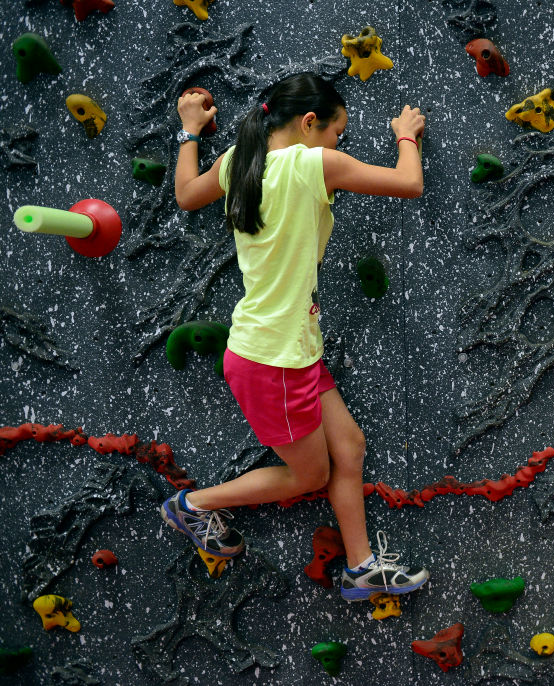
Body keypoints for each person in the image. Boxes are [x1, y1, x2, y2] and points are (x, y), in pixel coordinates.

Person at [160, 72, 428, 601]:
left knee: (348, 447)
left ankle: (361, 569)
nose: (337, 144)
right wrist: (405, 134)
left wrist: (189, 131)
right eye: (337, 133)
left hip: (290, 347)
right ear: (310, 123)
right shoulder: (314, 163)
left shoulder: (239, 159)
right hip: (273, 359)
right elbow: (409, 183)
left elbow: (188, 195)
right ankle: (193, 507)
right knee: (307, 476)